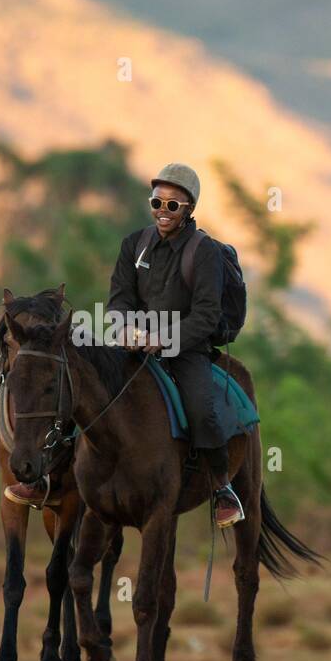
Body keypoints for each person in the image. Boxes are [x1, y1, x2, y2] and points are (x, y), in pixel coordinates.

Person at [103, 163, 245, 528]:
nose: (162, 212)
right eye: (157, 203)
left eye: (172, 206)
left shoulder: (205, 252)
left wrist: (163, 339)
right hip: (134, 344)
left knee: (200, 409)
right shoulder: (133, 243)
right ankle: (52, 478)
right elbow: (119, 300)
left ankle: (222, 488)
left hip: (186, 349)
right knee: (87, 390)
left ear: (189, 209)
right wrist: (126, 329)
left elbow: (207, 316)